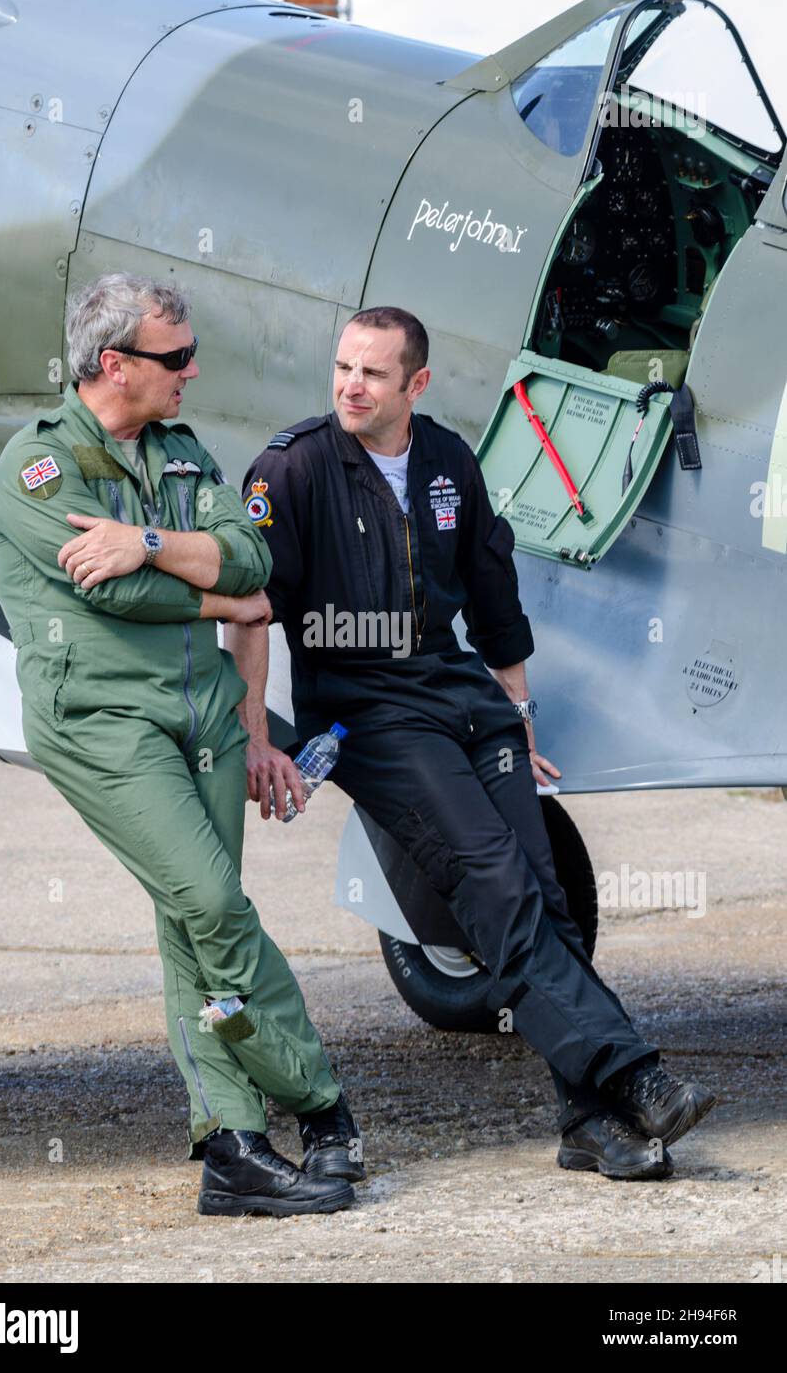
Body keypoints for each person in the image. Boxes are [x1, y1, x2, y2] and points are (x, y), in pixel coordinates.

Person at [230, 305, 716, 1182]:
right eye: (343, 366)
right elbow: (250, 604)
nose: (350, 385)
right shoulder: (292, 468)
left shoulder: (450, 458)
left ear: (416, 384)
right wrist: (259, 731)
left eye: (373, 373)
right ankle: (634, 1075)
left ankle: (587, 1125)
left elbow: (492, 589)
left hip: (463, 696)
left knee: (545, 896)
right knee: (495, 880)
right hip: (367, 712)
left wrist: (517, 716)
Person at [0, 272, 363, 1217]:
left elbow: (255, 561)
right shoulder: (39, 469)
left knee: (192, 925)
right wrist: (214, 592)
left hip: (202, 713)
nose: (193, 372)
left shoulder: (182, 451)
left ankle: (233, 1147)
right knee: (211, 905)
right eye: (177, 357)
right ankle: (320, 1103)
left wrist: (149, 543)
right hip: (103, 719)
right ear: (114, 364)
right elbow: (104, 593)